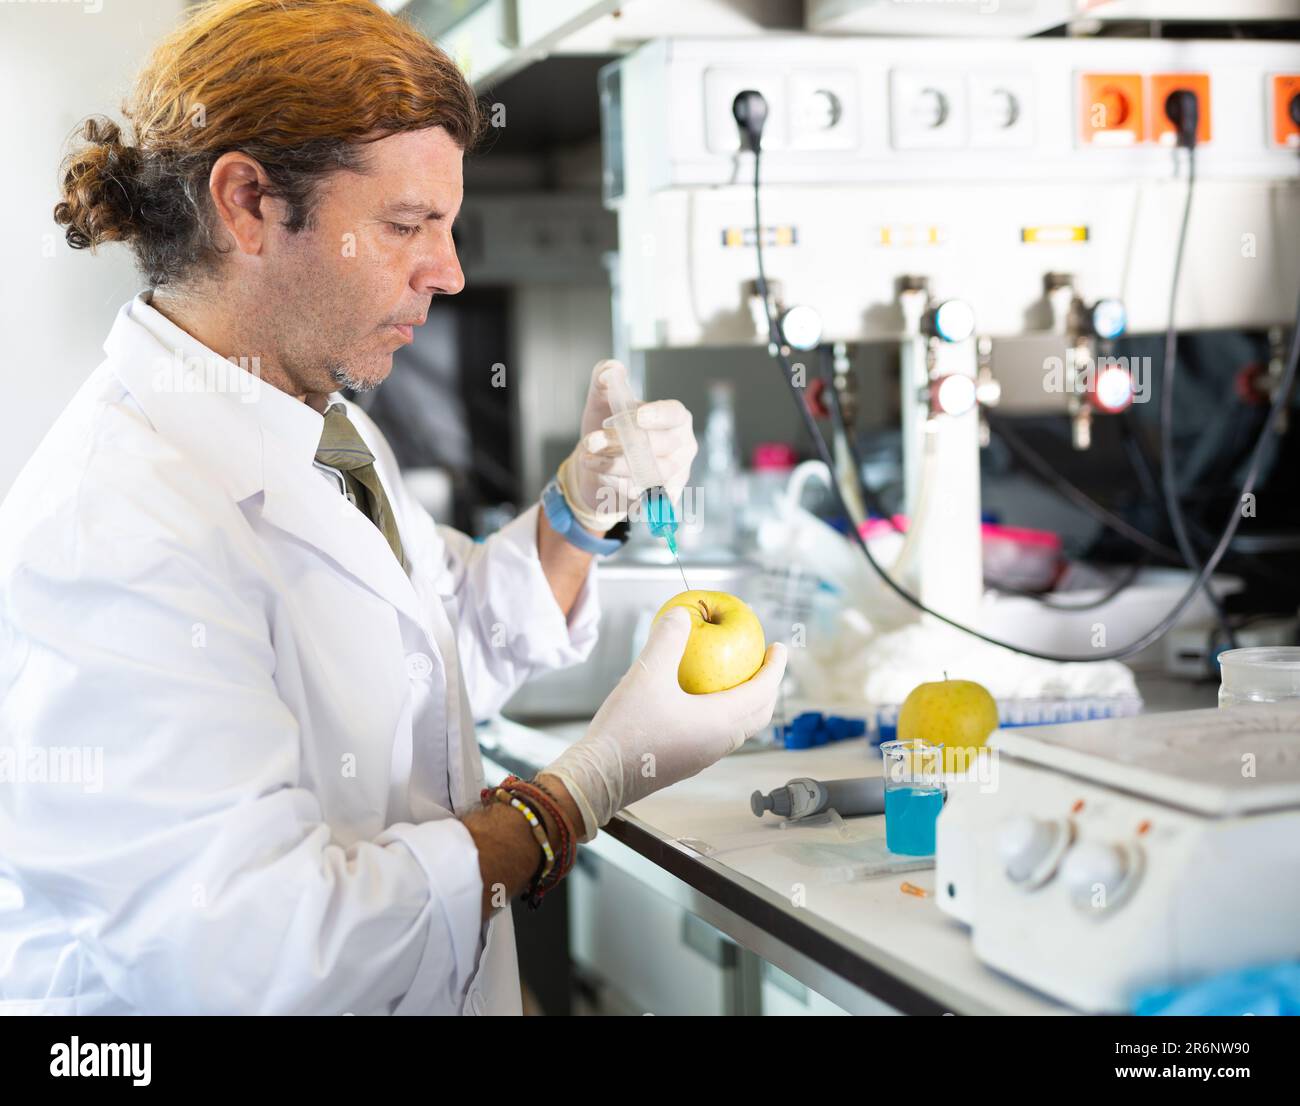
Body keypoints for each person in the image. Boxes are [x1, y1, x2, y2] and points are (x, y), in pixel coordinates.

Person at [0, 0, 786, 1015]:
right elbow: (260, 956)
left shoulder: (317, 420)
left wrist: (580, 511)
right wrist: (574, 794)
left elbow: (427, 650)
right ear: (246, 204)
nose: (449, 271)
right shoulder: (116, 528)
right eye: (407, 225)